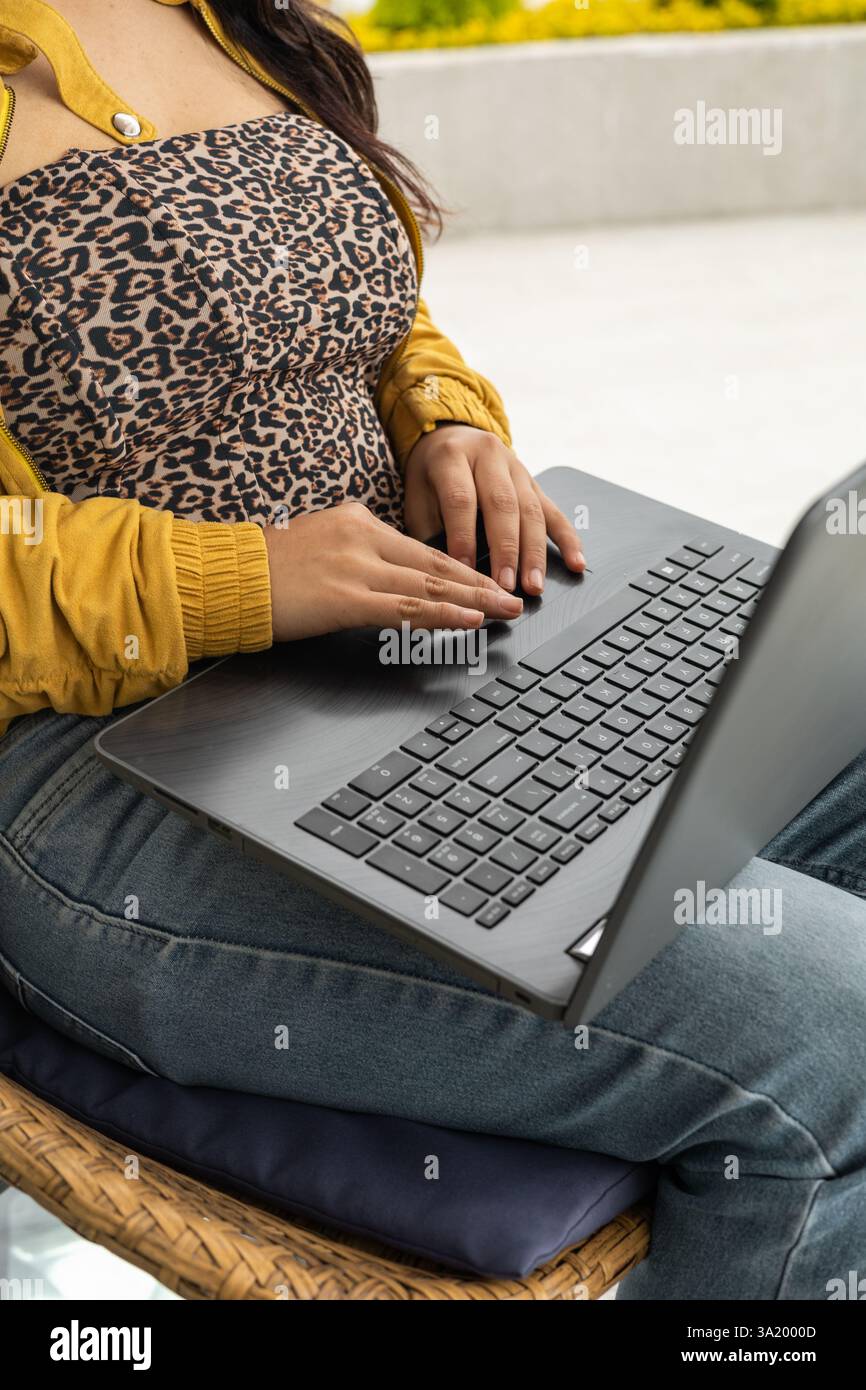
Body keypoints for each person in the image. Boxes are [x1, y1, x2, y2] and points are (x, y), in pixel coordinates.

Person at [1, 0, 864, 1300]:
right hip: (98, 780)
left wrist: (441, 426)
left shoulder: (224, 12)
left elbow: (341, 305)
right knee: (833, 1034)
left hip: (395, 649)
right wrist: (253, 579)